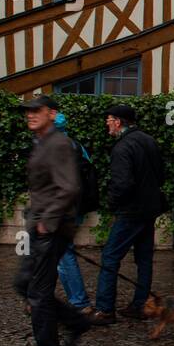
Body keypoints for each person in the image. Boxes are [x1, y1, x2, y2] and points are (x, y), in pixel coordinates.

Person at [13, 95, 91, 346]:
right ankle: (76, 321)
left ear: (52, 113)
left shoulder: (58, 144)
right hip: (41, 226)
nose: (30, 115)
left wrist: (48, 218)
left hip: (51, 228)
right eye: (28, 111)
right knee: (24, 284)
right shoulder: (42, 142)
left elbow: (69, 188)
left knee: (37, 291)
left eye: (37, 110)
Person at [94, 104, 165, 323]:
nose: (107, 124)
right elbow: (161, 175)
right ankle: (141, 305)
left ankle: (105, 309)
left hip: (130, 211)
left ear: (118, 121)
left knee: (110, 257)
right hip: (150, 209)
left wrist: (112, 204)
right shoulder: (149, 141)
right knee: (144, 258)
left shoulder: (122, 147)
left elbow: (122, 184)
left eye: (109, 120)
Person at [54, 111, 97, 322]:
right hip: (75, 208)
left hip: (63, 210)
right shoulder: (75, 145)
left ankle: (80, 302)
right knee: (60, 254)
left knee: (64, 255)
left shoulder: (58, 148)